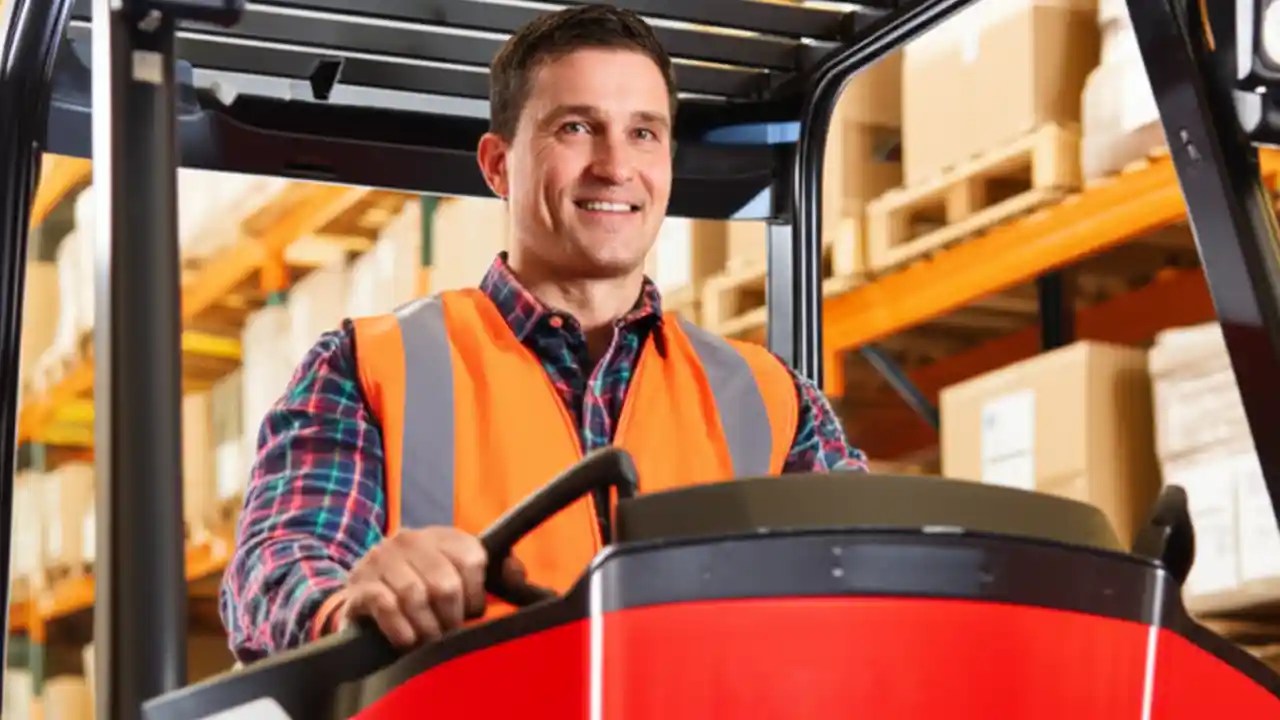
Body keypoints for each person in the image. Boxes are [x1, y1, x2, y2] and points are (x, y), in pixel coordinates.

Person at [218, 3, 867, 665]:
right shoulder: (368, 368)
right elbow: (278, 569)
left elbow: (870, 572)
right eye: (578, 127)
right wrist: (354, 603)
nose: (615, 165)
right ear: (498, 165)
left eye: (643, 133)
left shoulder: (774, 400)